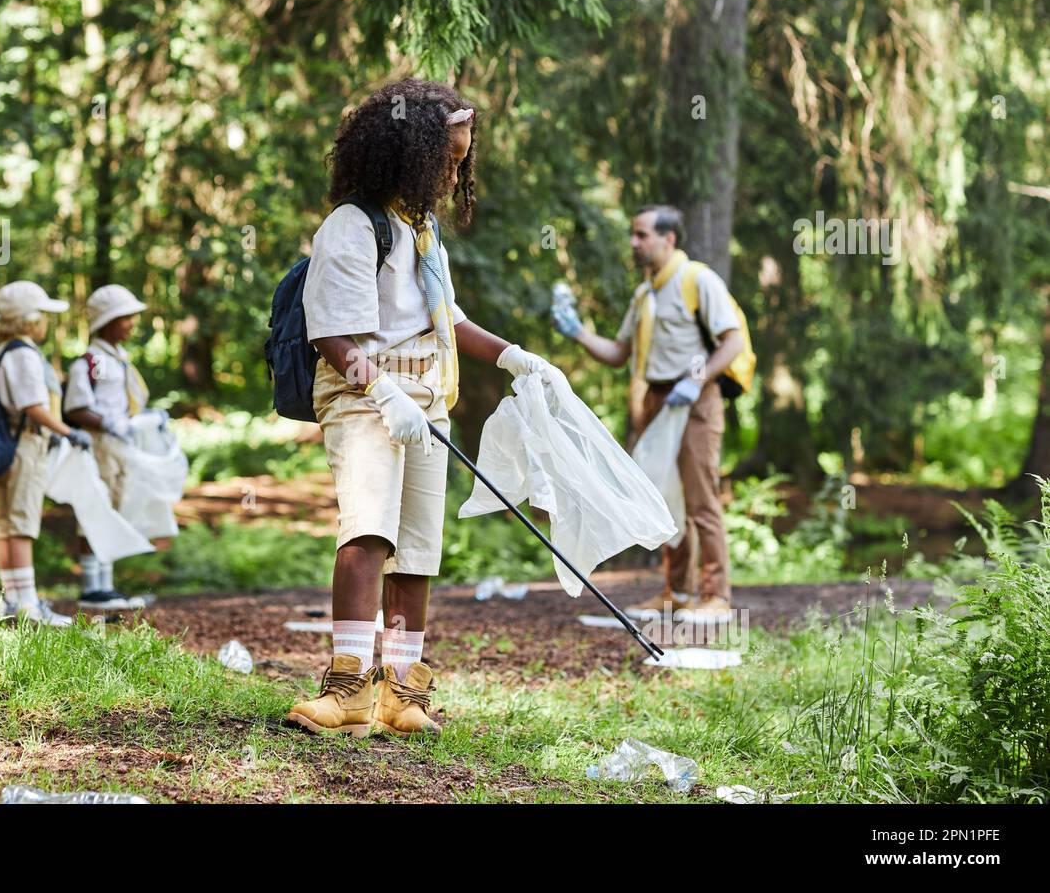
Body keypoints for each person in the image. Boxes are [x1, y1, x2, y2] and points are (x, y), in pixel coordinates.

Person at [286, 79, 565, 739]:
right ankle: (348, 685)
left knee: (415, 551)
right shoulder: (353, 228)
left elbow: (448, 318)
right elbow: (330, 333)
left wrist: (512, 356)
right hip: (365, 400)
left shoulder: (422, 230)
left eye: (463, 159)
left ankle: (399, 694)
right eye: (448, 157)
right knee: (368, 533)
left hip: (427, 403)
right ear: (408, 151)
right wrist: (383, 393)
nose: (455, 170)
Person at [552, 205, 743, 625]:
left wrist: (697, 379)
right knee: (661, 497)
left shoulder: (697, 279)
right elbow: (620, 354)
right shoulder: (645, 294)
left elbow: (733, 341)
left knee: (699, 495)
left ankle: (716, 595)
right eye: (633, 235)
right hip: (657, 399)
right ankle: (678, 592)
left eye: (642, 235)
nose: (634, 243)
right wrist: (577, 332)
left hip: (695, 397)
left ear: (668, 239)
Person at [0, 280, 93, 627]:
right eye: (43, 315)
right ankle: (27, 603)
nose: (46, 322)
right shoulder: (22, 354)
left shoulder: (7, 350)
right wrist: (70, 432)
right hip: (26, 443)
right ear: (29, 319)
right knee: (21, 523)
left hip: (12, 441)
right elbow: (32, 405)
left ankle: (15, 598)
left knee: (9, 523)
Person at [63, 284, 170, 611]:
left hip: (121, 447)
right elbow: (75, 407)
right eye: (126, 318)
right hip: (99, 446)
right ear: (107, 321)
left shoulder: (120, 359)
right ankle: (92, 586)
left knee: (114, 509)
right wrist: (108, 423)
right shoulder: (90, 363)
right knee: (95, 508)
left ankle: (106, 585)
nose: (132, 324)